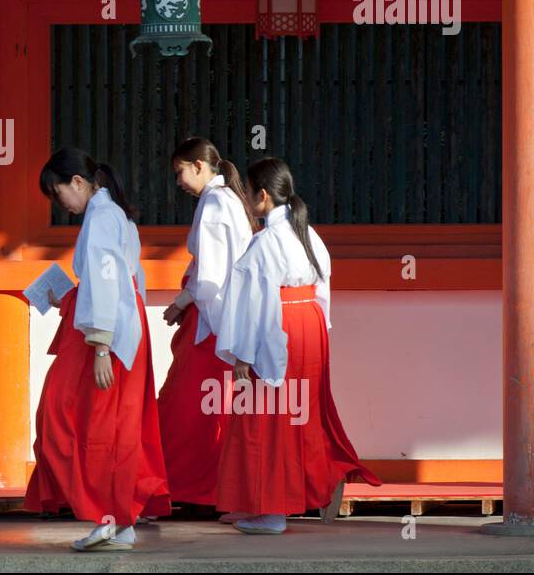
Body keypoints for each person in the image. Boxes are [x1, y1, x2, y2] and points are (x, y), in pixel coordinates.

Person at [215, 157, 381, 534]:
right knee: (299, 416)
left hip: (280, 327)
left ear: (261, 196)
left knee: (265, 417)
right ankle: (265, 499)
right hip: (308, 325)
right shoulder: (306, 231)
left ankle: (271, 509)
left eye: (247, 195)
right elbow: (322, 289)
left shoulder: (267, 241)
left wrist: (243, 352)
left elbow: (256, 300)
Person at [24, 147, 171, 551]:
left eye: (58, 193)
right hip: (120, 329)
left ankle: (109, 515)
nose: (59, 203)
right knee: (107, 428)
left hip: (107, 337)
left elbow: (109, 284)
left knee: (72, 421)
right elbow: (126, 280)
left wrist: (103, 345)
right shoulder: (112, 215)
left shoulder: (103, 218)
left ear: (78, 182)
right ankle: (117, 521)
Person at [156, 137, 256, 511]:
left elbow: (210, 276)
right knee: (212, 408)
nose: (178, 181)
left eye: (180, 171)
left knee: (186, 409)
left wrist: (186, 306)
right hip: (221, 319)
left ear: (199, 165)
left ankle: (188, 488)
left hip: (212, 322)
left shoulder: (214, 203)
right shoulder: (227, 199)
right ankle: (213, 489)